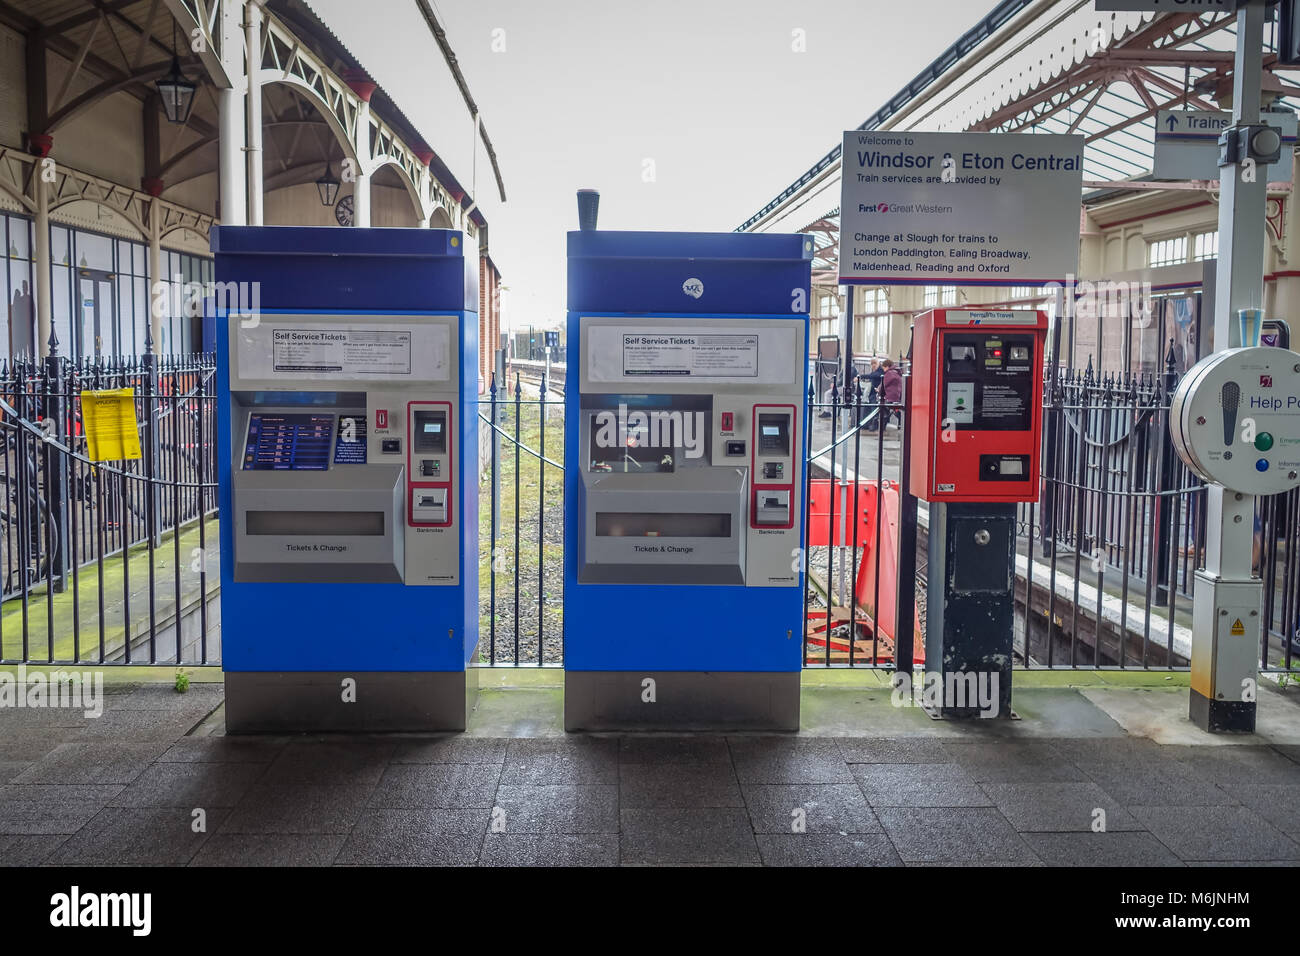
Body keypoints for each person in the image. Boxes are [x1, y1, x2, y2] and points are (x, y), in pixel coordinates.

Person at [879, 358, 903, 430]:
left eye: (883, 368)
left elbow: (884, 384)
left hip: (890, 396)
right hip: (896, 395)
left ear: (887, 366)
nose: (883, 370)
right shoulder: (896, 372)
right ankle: (900, 424)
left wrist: (879, 390)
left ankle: (882, 427)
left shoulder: (889, 373)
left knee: (885, 411)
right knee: (894, 410)